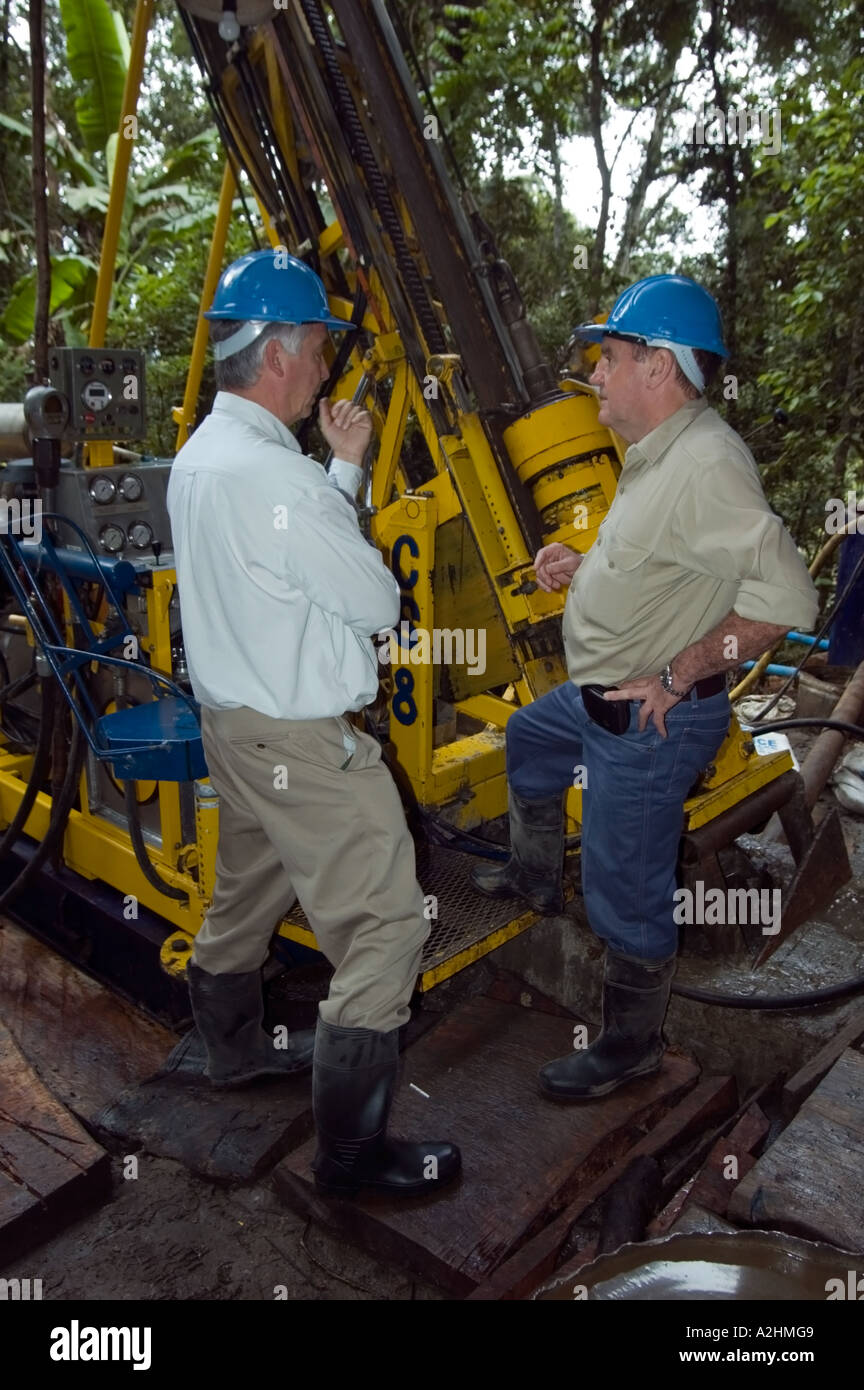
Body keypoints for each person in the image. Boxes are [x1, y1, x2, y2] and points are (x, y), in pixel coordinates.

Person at [472, 274, 819, 1101]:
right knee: (527, 741)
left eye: (610, 356)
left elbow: (788, 600)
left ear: (659, 368)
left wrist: (681, 671)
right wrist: (582, 570)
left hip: (648, 721)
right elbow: (665, 566)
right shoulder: (655, 455)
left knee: (623, 896)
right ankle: (530, 874)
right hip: (593, 703)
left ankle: (628, 1047)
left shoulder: (706, 465)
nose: (595, 373)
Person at [166, 249, 460, 1196]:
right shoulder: (279, 482)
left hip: (234, 730)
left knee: (246, 893)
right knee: (384, 927)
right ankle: (352, 1158)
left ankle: (232, 1051)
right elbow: (377, 601)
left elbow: (291, 565)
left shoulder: (201, 458)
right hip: (300, 741)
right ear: (283, 353)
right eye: (322, 350)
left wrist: (338, 468)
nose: (329, 369)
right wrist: (342, 478)